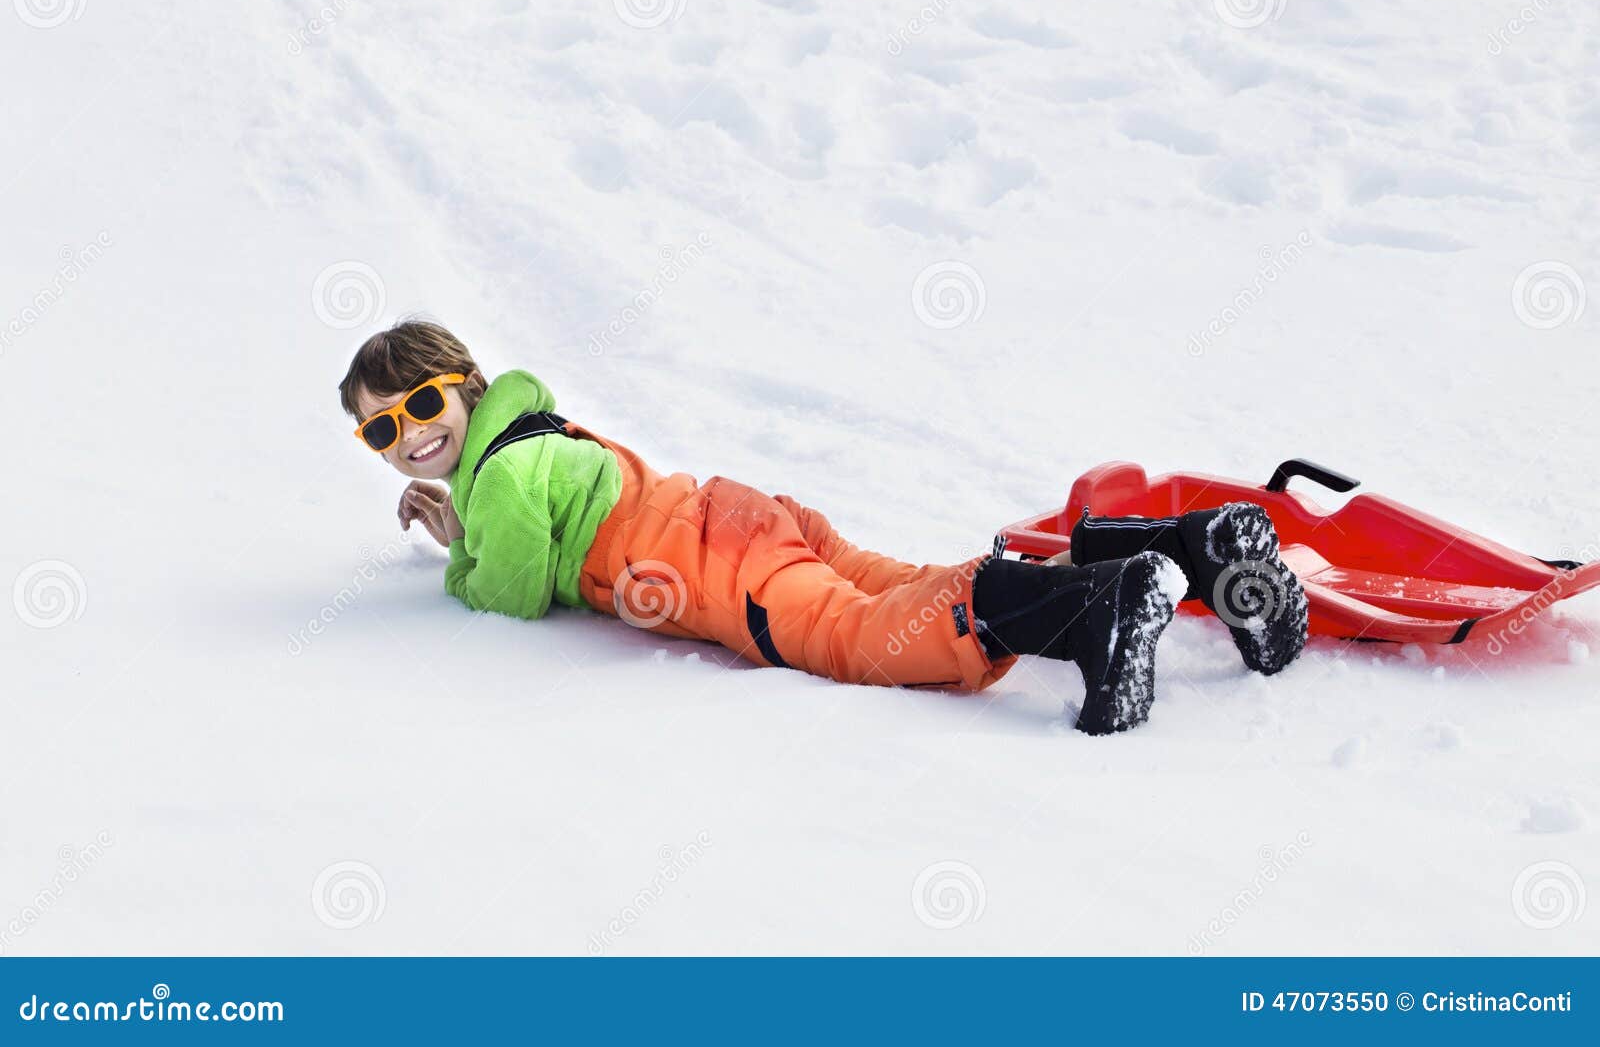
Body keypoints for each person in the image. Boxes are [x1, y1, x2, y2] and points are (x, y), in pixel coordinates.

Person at [339, 319, 1307, 735]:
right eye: (382, 429)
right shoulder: (530, 430)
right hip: (744, 516)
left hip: (711, 568)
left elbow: (507, 594)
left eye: (421, 403)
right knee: (912, 587)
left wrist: (456, 551)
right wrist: (470, 519)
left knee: (863, 637)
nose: (411, 434)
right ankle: (1188, 550)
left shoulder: (496, 479)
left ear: (466, 385)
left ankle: (1096, 608)